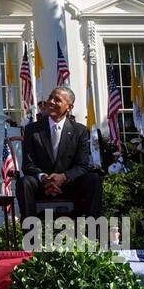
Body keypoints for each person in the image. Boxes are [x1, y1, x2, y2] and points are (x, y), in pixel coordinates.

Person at [14, 86, 101, 222]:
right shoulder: (32, 130)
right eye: (50, 98)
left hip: (69, 184)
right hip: (42, 185)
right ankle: (31, 238)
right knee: (24, 182)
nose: (51, 102)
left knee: (94, 179)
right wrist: (45, 179)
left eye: (57, 100)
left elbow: (83, 165)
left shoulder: (80, 131)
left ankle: (92, 236)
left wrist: (63, 177)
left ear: (69, 107)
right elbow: (28, 165)